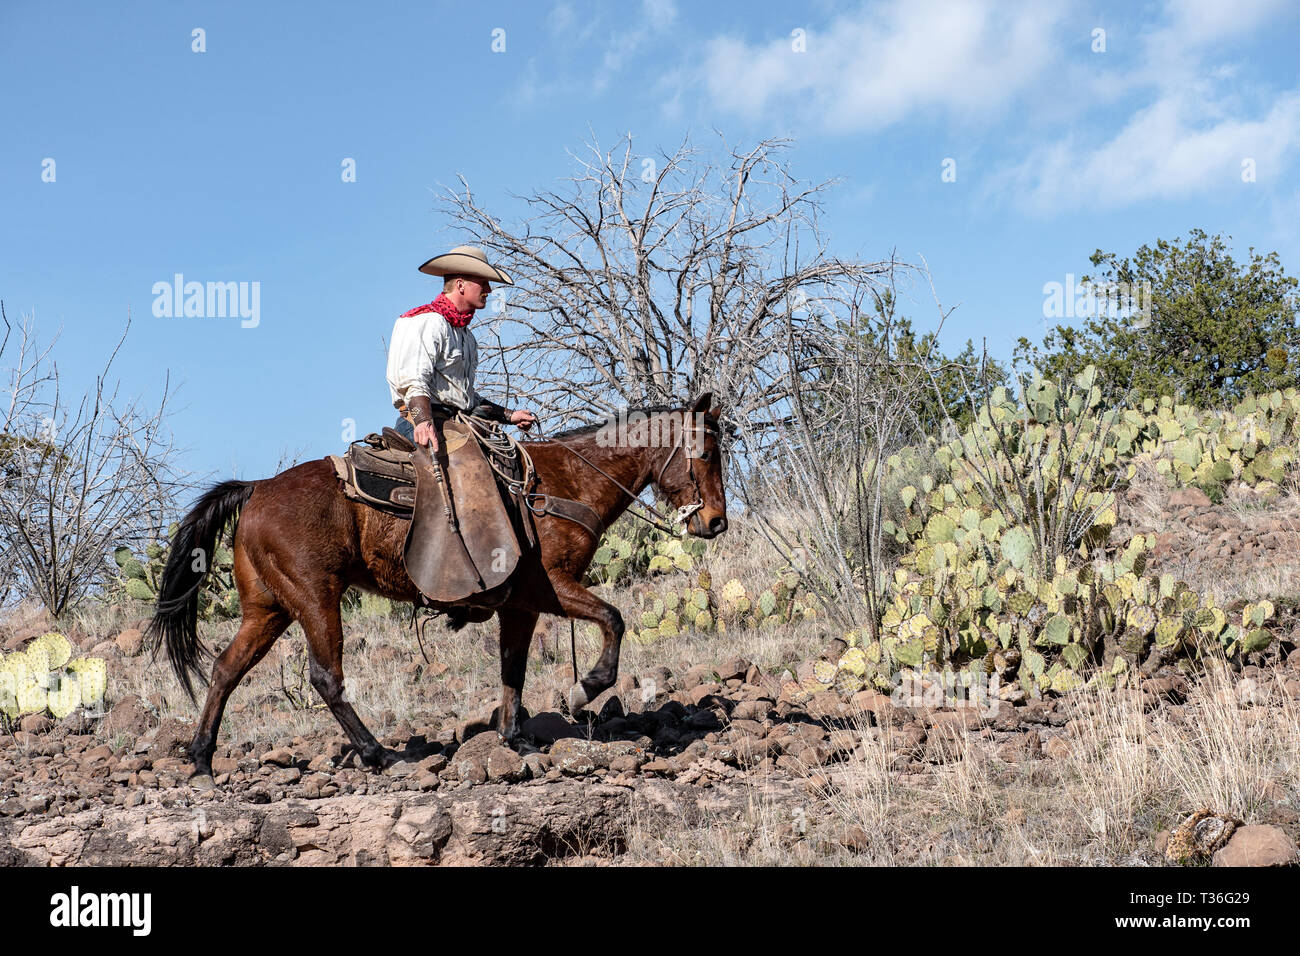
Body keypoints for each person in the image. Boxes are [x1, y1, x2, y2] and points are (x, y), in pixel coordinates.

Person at [387, 244, 537, 449]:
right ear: (460, 285)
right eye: (483, 283)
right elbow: (413, 380)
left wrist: (510, 416)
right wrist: (422, 420)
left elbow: (464, 397)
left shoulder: (467, 336)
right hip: (422, 421)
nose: (489, 290)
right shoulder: (426, 321)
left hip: (455, 424)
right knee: (473, 471)